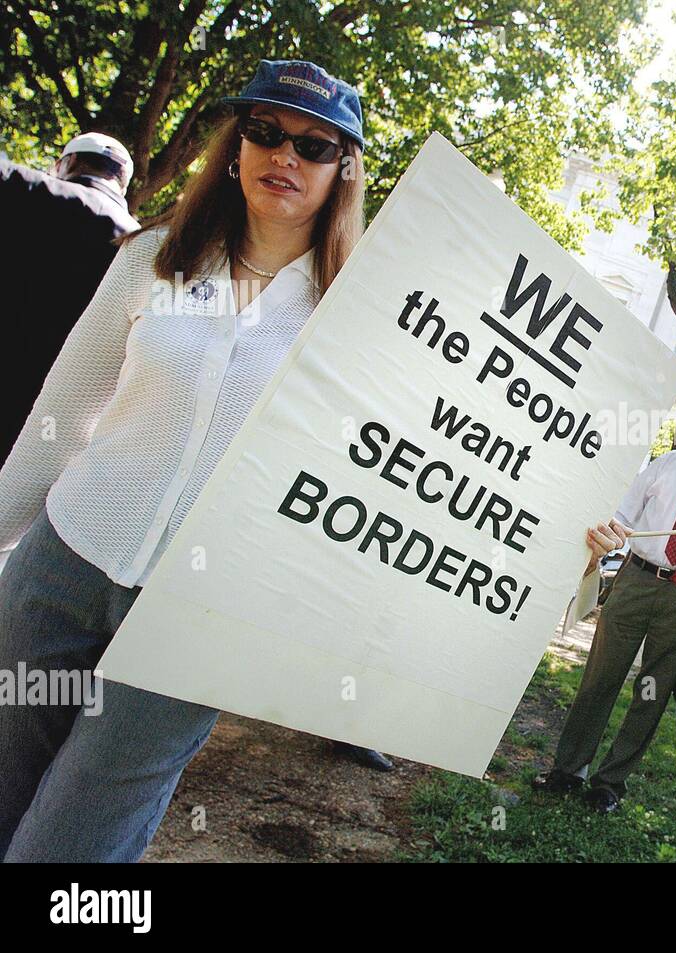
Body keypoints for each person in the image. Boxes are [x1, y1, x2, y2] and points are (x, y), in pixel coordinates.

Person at [0, 59, 368, 862]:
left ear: (343, 170)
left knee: (68, 847)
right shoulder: (152, 258)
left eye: (314, 144)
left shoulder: (360, 315)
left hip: (201, 616)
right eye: (264, 131)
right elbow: (62, 417)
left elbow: (404, 478)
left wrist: (561, 539)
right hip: (60, 570)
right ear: (235, 148)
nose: (285, 155)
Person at [533, 401, 676, 813]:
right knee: (600, 677)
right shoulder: (668, 464)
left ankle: (610, 784)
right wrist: (601, 545)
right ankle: (568, 770)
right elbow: (622, 512)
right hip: (635, 580)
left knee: (651, 693)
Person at [1, 132, 140, 465]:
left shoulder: (26, 188)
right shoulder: (142, 250)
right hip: (49, 421)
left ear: (66, 163)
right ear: (121, 184)